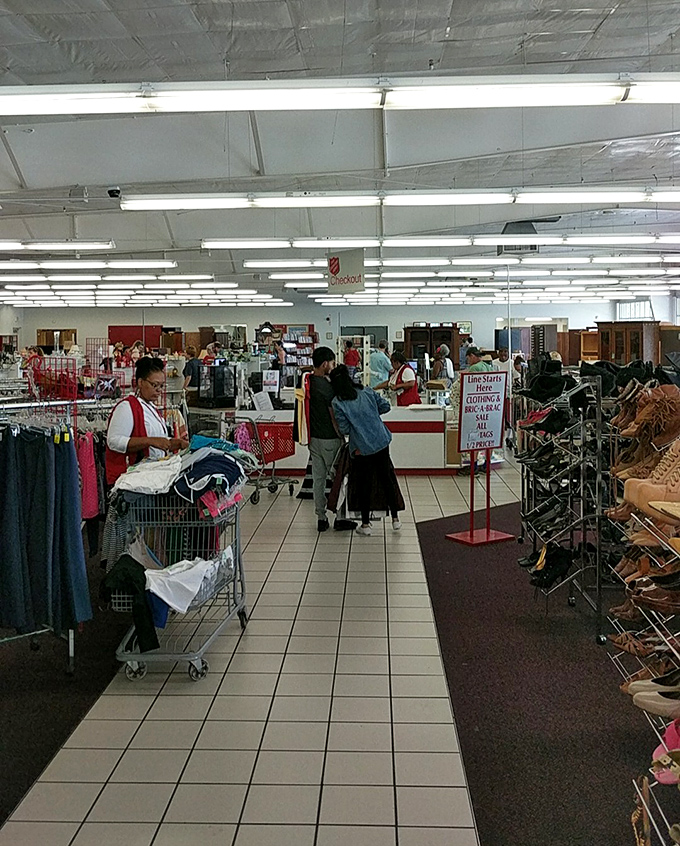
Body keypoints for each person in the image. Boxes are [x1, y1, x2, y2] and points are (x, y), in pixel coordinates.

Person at [330, 364, 405, 536]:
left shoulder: (337, 403)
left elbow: (345, 429)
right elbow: (385, 406)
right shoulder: (366, 391)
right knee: (387, 479)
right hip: (381, 440)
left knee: (364, 485)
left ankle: (366, 525)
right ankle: (395, 519)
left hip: (361, 447)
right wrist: (371, 414)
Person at [106, 357, 188, 485]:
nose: (159, 390)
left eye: (161, 386)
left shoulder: (152, 408)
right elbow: (113, 441)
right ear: (140, 382)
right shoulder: (126, 407)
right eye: (154, 385)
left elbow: (159, 442)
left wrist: (175, 443)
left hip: (150, 478)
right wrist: (150, 441)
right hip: (131, 481)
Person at [296, 346, 344, 532]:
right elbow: (333, 416)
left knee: (319, 479)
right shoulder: (328, 387)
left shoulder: (308, 382)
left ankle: (321, 518)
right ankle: (340, 517)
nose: (333, 366)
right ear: (325, 364)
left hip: (313, 438)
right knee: (337, 479)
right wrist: (341, 435)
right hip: (330, 439)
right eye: (332, 363)